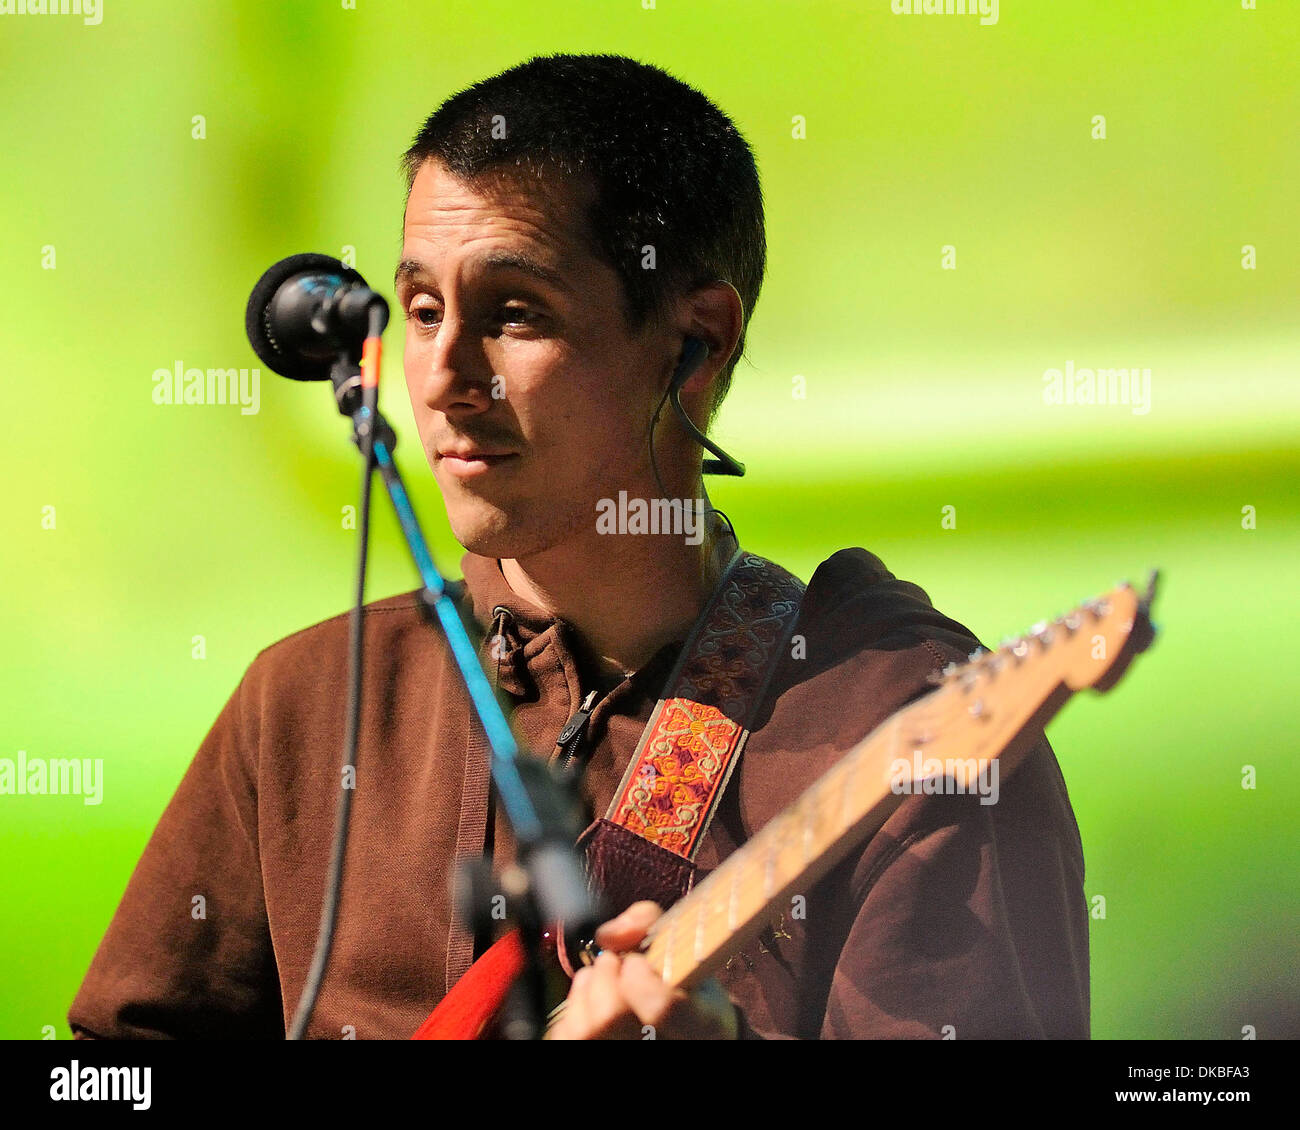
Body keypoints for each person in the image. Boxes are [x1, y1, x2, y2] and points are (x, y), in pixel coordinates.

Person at [67, 53, 1089, 1040]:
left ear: (697, 341)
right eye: (421, 309)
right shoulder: (304, 706)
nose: (442, 374)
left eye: (515, 313)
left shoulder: (906, 726)